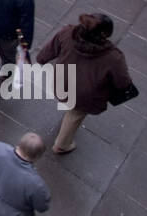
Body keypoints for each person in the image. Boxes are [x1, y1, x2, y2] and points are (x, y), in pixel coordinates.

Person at [37, 13, 135, 155]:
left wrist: (41, 59)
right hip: (85, 96)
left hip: (61, 82)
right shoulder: (113, 57)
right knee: (75, 115)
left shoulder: (67, 33)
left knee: (68, 102)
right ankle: (62, 145)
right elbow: (122, 82)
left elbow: (46, 52)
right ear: (104, 34)